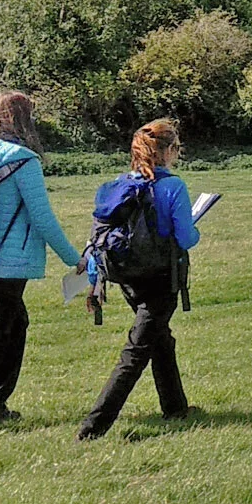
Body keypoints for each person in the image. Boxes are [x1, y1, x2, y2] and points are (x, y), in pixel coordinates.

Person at [0, 92, 83, 431]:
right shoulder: (25, 161)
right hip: (7, 261)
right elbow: (42, 219)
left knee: (15, 324)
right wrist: (76, 260)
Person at [77, 119, 201, 440]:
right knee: (135, 353)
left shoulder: (120, 185)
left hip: (129, 279)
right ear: (168, 151)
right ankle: (93, 428)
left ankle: (175, 408)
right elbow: (186, 238)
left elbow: (99, 237)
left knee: (160, 339)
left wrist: (94, 281)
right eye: (176, 148)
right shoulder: (173, 186)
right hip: (160, 280)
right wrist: (194, 227)